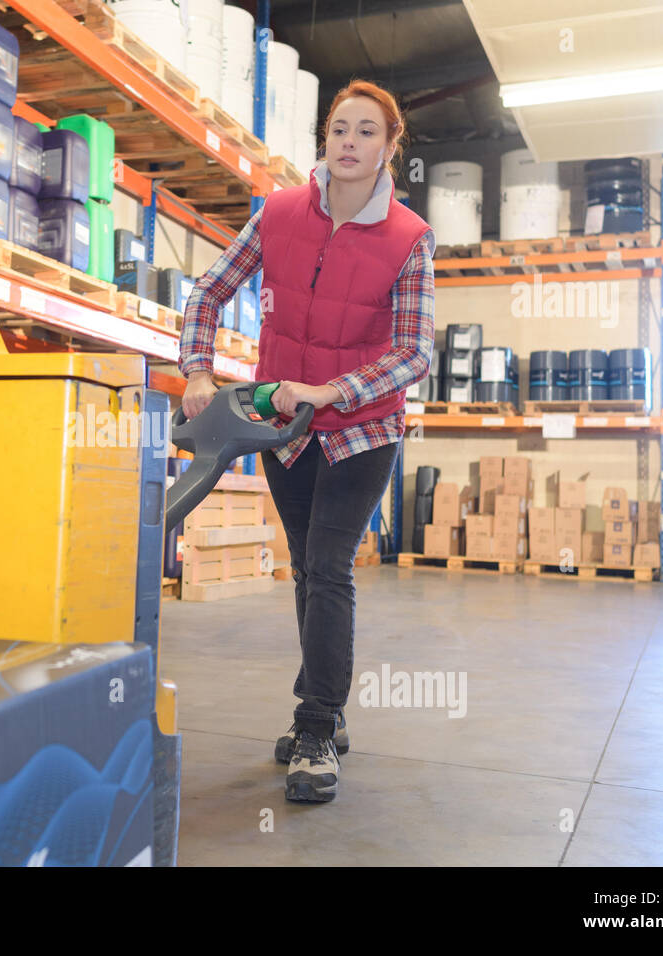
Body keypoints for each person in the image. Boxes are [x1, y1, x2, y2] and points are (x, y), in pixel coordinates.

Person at [178, 80, 436, 804]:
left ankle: (316, 726)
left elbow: (414, 352)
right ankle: (329, 704)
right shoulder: (280, 213)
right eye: (339, 129)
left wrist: (333, 390)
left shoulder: (410, 238)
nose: (349, 142)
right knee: (305, 570)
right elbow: (208, 291)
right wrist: (197, 368)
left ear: (390, 147)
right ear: (325, 138)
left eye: (366, 131)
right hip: (284, 431)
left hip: (364, 428)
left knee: (327, 567)